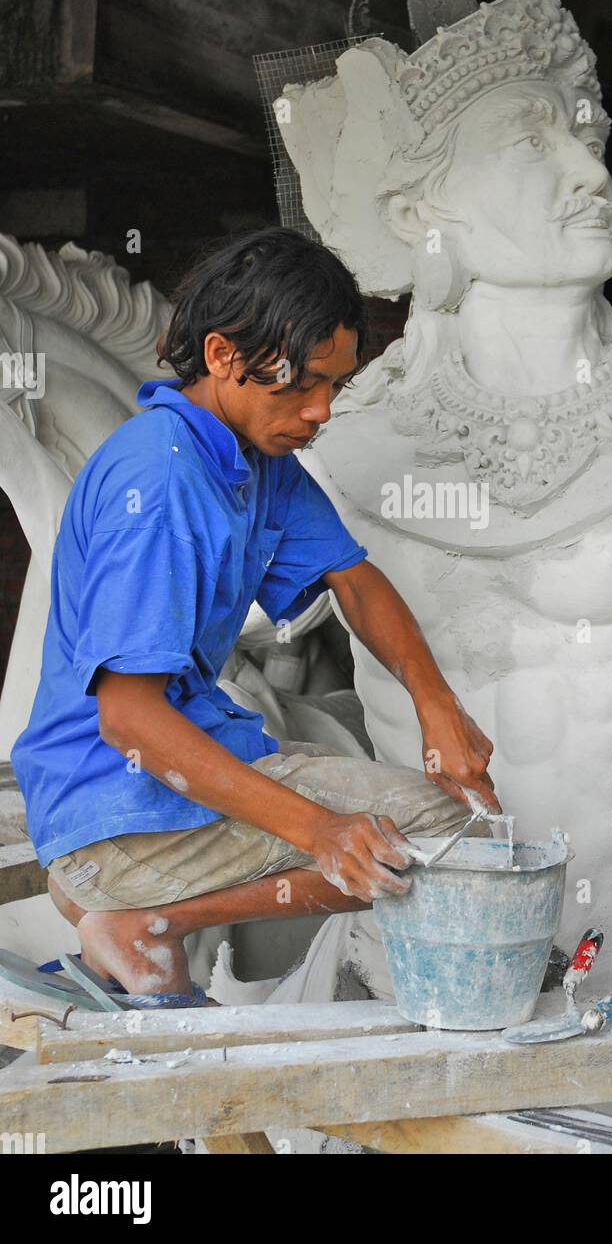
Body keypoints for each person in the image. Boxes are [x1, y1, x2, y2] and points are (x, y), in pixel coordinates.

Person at [10, 228, 497, 1004]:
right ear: (222, 357)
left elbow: (354, 579)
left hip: (185, 773)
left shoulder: (252, 461)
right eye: (299, 386)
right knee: (431, 842)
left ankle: (152, 923)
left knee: (446, 830)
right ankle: (144, 922)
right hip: (113, 808)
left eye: (334, 386)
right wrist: (318, 831)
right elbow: (129, 720)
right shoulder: (161, 483)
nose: (319, 412)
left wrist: (436, 704)